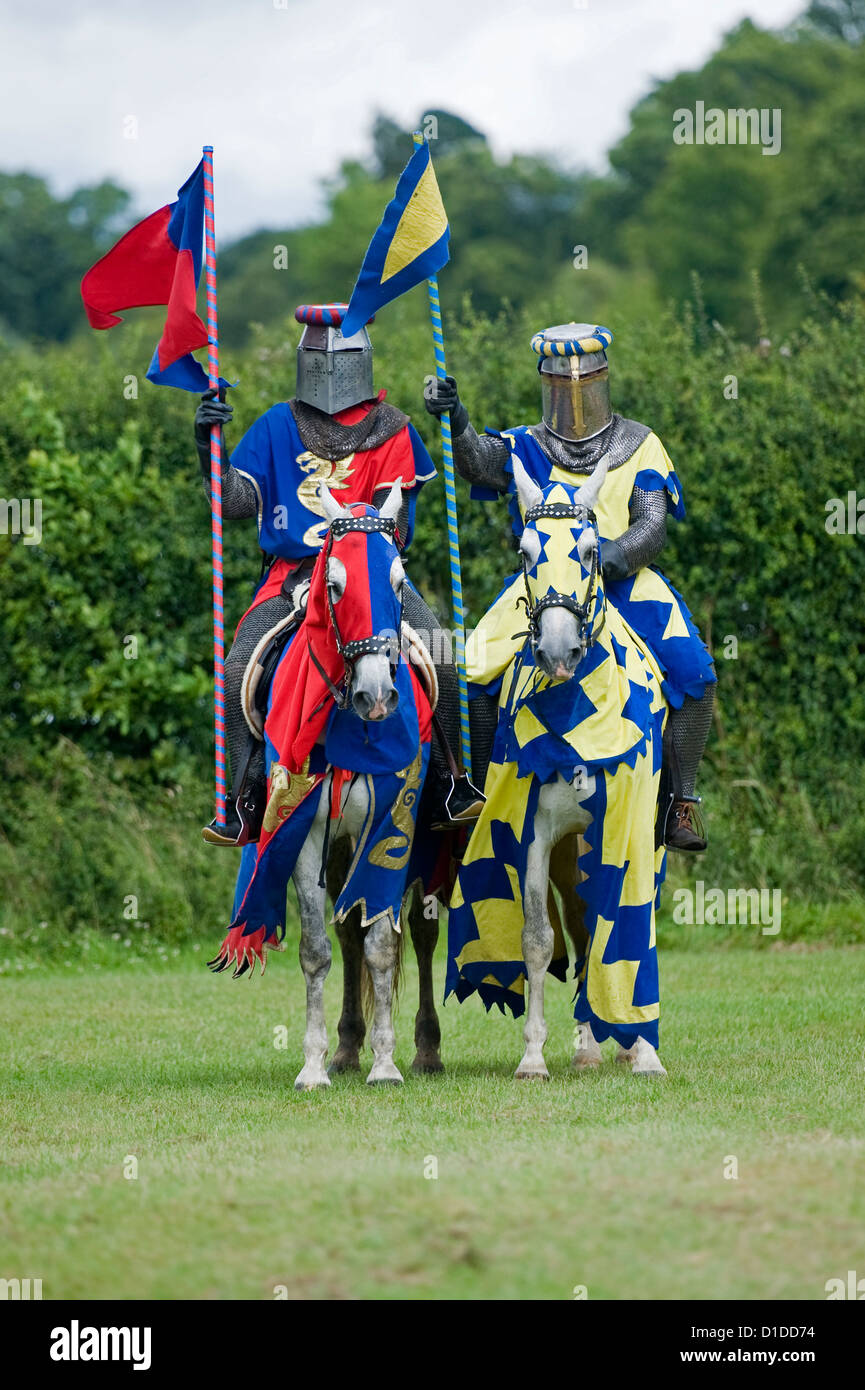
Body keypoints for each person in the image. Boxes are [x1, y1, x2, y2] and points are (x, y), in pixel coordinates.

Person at [195, 302, 481, 845]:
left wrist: (357, 552)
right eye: (318, 352)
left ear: (362, 358)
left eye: (341, 354)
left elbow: (400, 527)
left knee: (443, 652)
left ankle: (452, 782)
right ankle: (246, 796)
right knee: (237, 673)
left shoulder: (392, 430)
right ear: (304, 356)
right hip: (293, 576)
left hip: (370, 572)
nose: (329, 365)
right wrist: (208, 446)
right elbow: (232, 501)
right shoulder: (279, 424)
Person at [423, 322, 716, 851]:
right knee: (468, 669)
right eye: (562, 384)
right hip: (541, 590)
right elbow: (478, 462)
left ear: (604, 379)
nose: (575, 394)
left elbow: (652, 527)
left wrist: (602, 558)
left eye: (586, 381)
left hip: (624, 582)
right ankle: (478, 789)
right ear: (545, 384)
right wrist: (456, 417)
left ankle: (680, 803)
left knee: (695, 672)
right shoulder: (524, 446)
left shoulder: (641, 444)